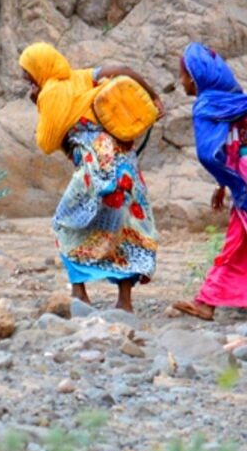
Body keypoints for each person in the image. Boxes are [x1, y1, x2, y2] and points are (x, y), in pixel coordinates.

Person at [19, 42, 163, 313]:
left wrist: (38, 103)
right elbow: (124, 69)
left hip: (96, 167)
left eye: (26, 72)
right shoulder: (84, 76)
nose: (25, 78)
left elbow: (47, 142)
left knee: (66, 223)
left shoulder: (51, 93)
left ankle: (79, 293)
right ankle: (124, 303)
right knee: (124, 228)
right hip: (125, 167)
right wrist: (154, 98)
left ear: (39, 69)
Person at [172, 43, 247, 320]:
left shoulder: (206, 106)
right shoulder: (237, 101)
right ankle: (208, 301)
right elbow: (234, 144)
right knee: (237, 243)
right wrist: (224, 184)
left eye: (182, 75)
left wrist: (229, 179)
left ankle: (207, 303)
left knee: (236, 242)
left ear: (195, 76)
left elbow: (208, 154)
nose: (181, 82)